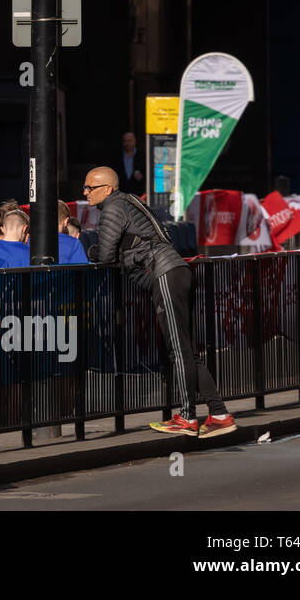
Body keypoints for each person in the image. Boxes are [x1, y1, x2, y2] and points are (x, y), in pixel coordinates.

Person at [84, 165, 235, 438]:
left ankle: (187, 418)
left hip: (163, 273)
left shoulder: (113, 208)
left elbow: (105, 255)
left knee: (179, 350)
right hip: (175, 270)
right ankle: (220, 414)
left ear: (107, 188)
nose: (84, 193)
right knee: (186, 350)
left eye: (89, 188)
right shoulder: (129, 202)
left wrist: (91, 250)